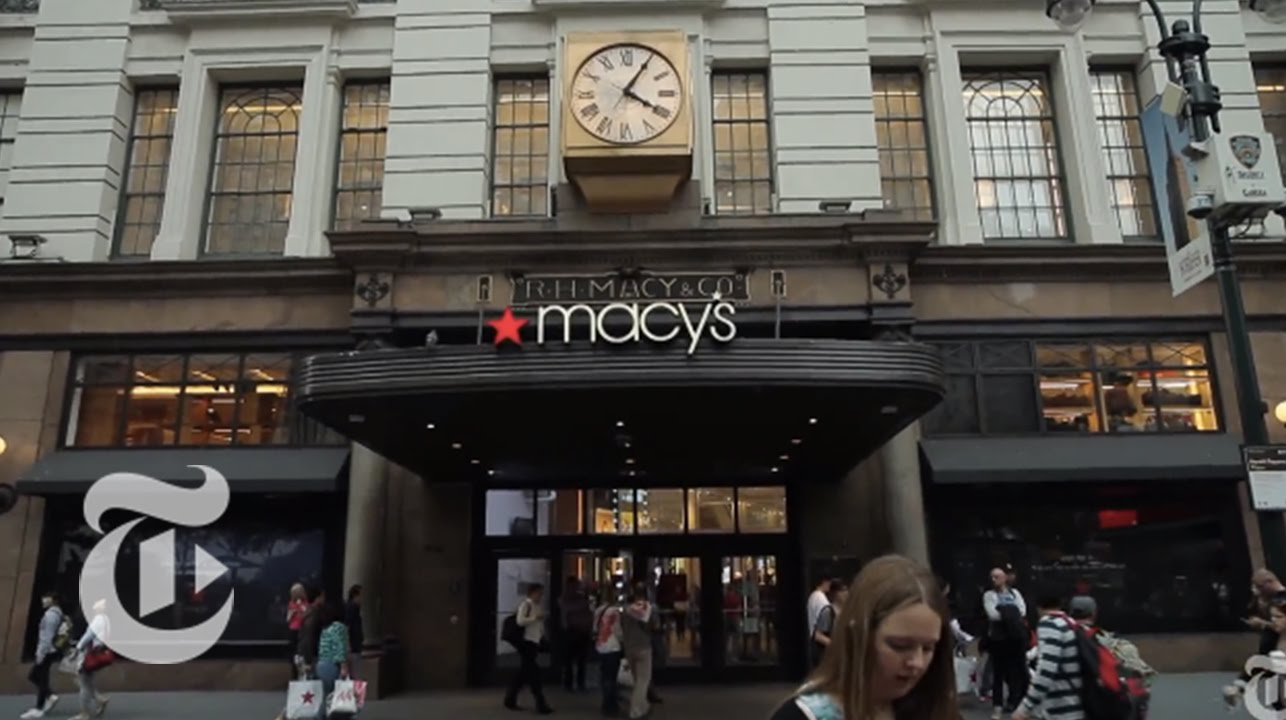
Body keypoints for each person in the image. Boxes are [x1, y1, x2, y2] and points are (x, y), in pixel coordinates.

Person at [770, 554, 958, 720]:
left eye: (928, 648)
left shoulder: (935, 710)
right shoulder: (804, 715)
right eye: (900, 646)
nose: (917, 663)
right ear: (859, 634)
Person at [1013, 595, 1084, 720]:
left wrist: (1025, 707)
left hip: (1061, 709)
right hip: (1078, 705)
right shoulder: (1070, 623)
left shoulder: (1049, 624)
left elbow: (1045, 671)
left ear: (1038, 607)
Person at [1225, 568, 1286, 706]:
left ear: (1269, 582)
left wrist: (1262, 624)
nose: (1257, 590)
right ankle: (1238, 689)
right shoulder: (1274, 600)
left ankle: (1238, 689)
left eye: (1259, 586)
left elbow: (1280, 626)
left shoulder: (1282, 599)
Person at [982, 566, 1028, 720]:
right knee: (998, 674)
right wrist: (1011, 613)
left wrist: (1004, 610)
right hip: (998, 639)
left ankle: (1015, 700)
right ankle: (997, 706)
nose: (994, 580)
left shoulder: (1015, 593)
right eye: (992, 577)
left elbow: (1022, 611)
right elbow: (992, 614)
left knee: (1018, 671)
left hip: (1015, 638)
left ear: (1005, 578)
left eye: (997, 576)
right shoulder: (989, 595)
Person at [505, 583, 553, 715]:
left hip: (534, 642)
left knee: (524, 673)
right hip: (526, 642)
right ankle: (540, 703)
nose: (540, 596)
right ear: (532, 593)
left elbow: (538, 625)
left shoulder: (537, 606)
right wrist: (534, 618)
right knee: (533, 673)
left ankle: (510, 698)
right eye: (539, 593)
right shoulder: (526, 605)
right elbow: (520, 621)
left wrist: (542, 636)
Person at [21, 591, 68, 720]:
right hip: (50, 651)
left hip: (47, 651)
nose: (43, 600)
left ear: (53, 600)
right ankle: (46, 699)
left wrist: (40, 654)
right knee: (40, 677)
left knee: (38, 676)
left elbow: (47, 636)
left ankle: (41, 705)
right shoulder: (57, 613)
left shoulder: (51, 615)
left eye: (46, 598)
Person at [72, 598, 112, 720]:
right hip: (98, 653)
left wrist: (77, 649)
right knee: (86, 681)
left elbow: (88, 635)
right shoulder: (106, 619)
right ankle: (100, 699)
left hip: (90, 654)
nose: (94, 606)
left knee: (83, 683)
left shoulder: (98, 619)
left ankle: (84, 713)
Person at [559, 576, 593, 693]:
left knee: (571, 660)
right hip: (578, 631)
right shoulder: (578, 598)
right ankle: (579, 683)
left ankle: (570, 683)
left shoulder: (568, 598)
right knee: (580, 660)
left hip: (574, 631)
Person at [593, 593, 624, 717]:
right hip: (613, 645)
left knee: (605, 675)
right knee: (611, 677)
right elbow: (617, 630)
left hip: (601, 645)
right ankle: (610, 704)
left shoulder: (598, 611)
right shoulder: (614, 611)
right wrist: (623, 641)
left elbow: (594, 628)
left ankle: (606, 703)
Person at [315, 603, 350, 701]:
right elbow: (339, 646)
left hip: (321, 664)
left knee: (325, 695)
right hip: (332, 664)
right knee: (334, 695)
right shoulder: (339, 627)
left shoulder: (325, 628)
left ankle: (322, 715)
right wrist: (344, 666)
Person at [810, 580, 847, 669]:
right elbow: (817, 635)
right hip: (830, 656)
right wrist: (834, 644)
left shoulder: (847, 611)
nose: (846, 593)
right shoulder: (828, 612)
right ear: (835, 594)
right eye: (843, 591)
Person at [285, 583, 308, 673]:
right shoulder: (291, 603)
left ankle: (301, 669)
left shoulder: (305, 603)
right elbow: (288, 619)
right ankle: (294, 668)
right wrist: (292, 613)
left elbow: (306, 613)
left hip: (302, 629)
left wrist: (301, 607)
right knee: (294, 651)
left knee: (301, 651)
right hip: (293, 629)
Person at [344, 585, 364, 680]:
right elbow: (347, 626)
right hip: (353, 646)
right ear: (356, 595)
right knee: (356, 674)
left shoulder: (355, 608)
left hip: (355, 645)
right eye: (361, 595)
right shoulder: (352, 608)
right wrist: (348, 644)